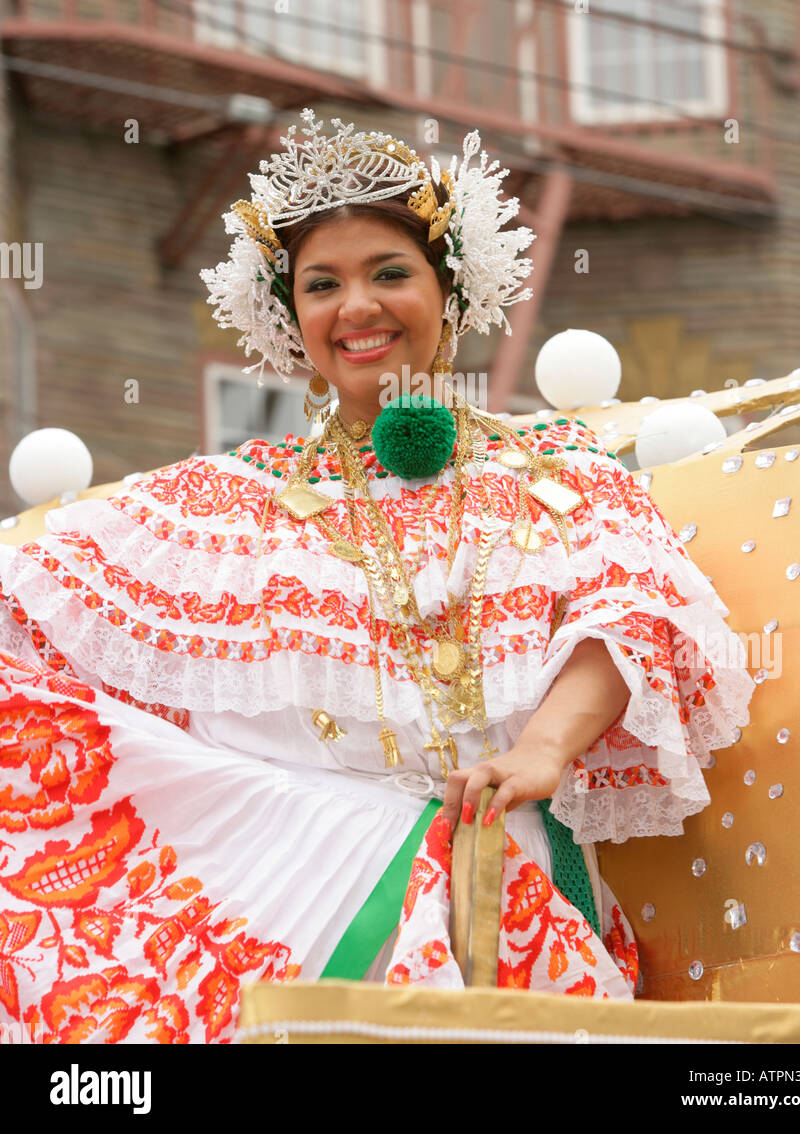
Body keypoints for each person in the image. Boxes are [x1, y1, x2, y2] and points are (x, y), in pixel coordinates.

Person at [0, 111, 755, 1041]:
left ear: (452, 290)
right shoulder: (225, 506)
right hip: (312, 894)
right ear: (292, 322)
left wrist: (540, 753)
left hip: (509, 880)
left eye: (389, 273)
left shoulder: (558, 471)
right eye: (323, 285)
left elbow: (634, 616)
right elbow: (26, 611)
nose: (356, 307)